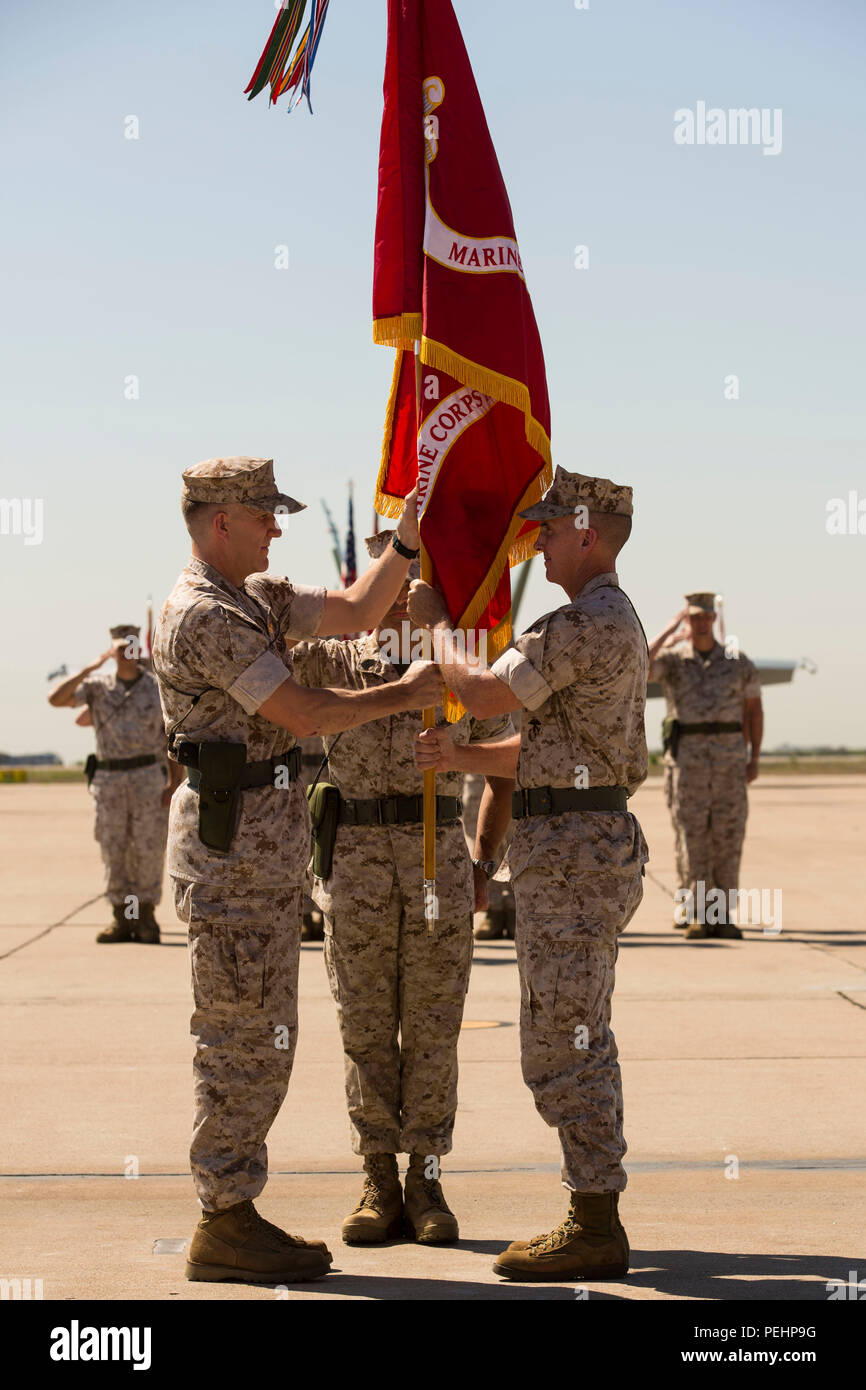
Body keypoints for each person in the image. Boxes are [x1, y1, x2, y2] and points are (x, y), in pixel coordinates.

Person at [152, 456, 443, 1286]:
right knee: (238, 1040)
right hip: (232, 860)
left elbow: (355, 609)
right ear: (220, 524)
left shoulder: (258, 600)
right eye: (264, 516)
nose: (277, 529)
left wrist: (406, 545)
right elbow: (304, 711)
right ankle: (225, 1220)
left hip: (264, 860)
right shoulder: (203, 616)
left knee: (261, 1040)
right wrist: (404, 691)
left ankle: (235, 1211)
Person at [410, 467, 648, 1282]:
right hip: (575, 843)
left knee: (567, 1038)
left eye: (549, 526)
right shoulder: (608, 622)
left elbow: (477, 691)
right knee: (562, 1030)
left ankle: (594, 1223)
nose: (536, 538)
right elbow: (557, 753)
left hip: (574, 859)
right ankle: (591, 1210)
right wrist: (466, 758)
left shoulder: (586, 624)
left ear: (588, 532)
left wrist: (436, 620)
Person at [289, 531, 514, 1246]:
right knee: (362, 1024)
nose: (402, 580)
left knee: (433, 1024)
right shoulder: (327, 656)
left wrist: (483, 860)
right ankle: (377, 1176)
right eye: (393, 562)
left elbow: (507, 758)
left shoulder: (457, 660)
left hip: (435, 855)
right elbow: (273, 679)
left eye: (416, 564)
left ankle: (427, 1178)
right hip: (353, 854)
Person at [48, 626, 179, 943]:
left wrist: (174, 783)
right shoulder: (96, 686)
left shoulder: (156, 687)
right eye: (121, 648)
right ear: (113, 650)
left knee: (146, 852)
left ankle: (145, 918)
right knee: (114, 851)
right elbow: (56, 699)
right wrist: (90, 667)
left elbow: (171, 736)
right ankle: (123, 919)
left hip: (148, 778)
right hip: (109, 781)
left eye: (131, 647)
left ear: (139, 651)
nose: (126, 653)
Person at [648, 593, 763, 940]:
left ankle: (723, 915)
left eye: (705, 617)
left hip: (729, 762)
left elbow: (754, 711)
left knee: (728, 837)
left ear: (713, 619)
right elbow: (639, 661)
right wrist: (669, 629)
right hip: (687, 764)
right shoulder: (672, 662)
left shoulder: (738, 661)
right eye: (693, 617)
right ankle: (698, 912)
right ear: (688, 620)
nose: (700, 623)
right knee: (692, 837)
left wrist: (754, 757)